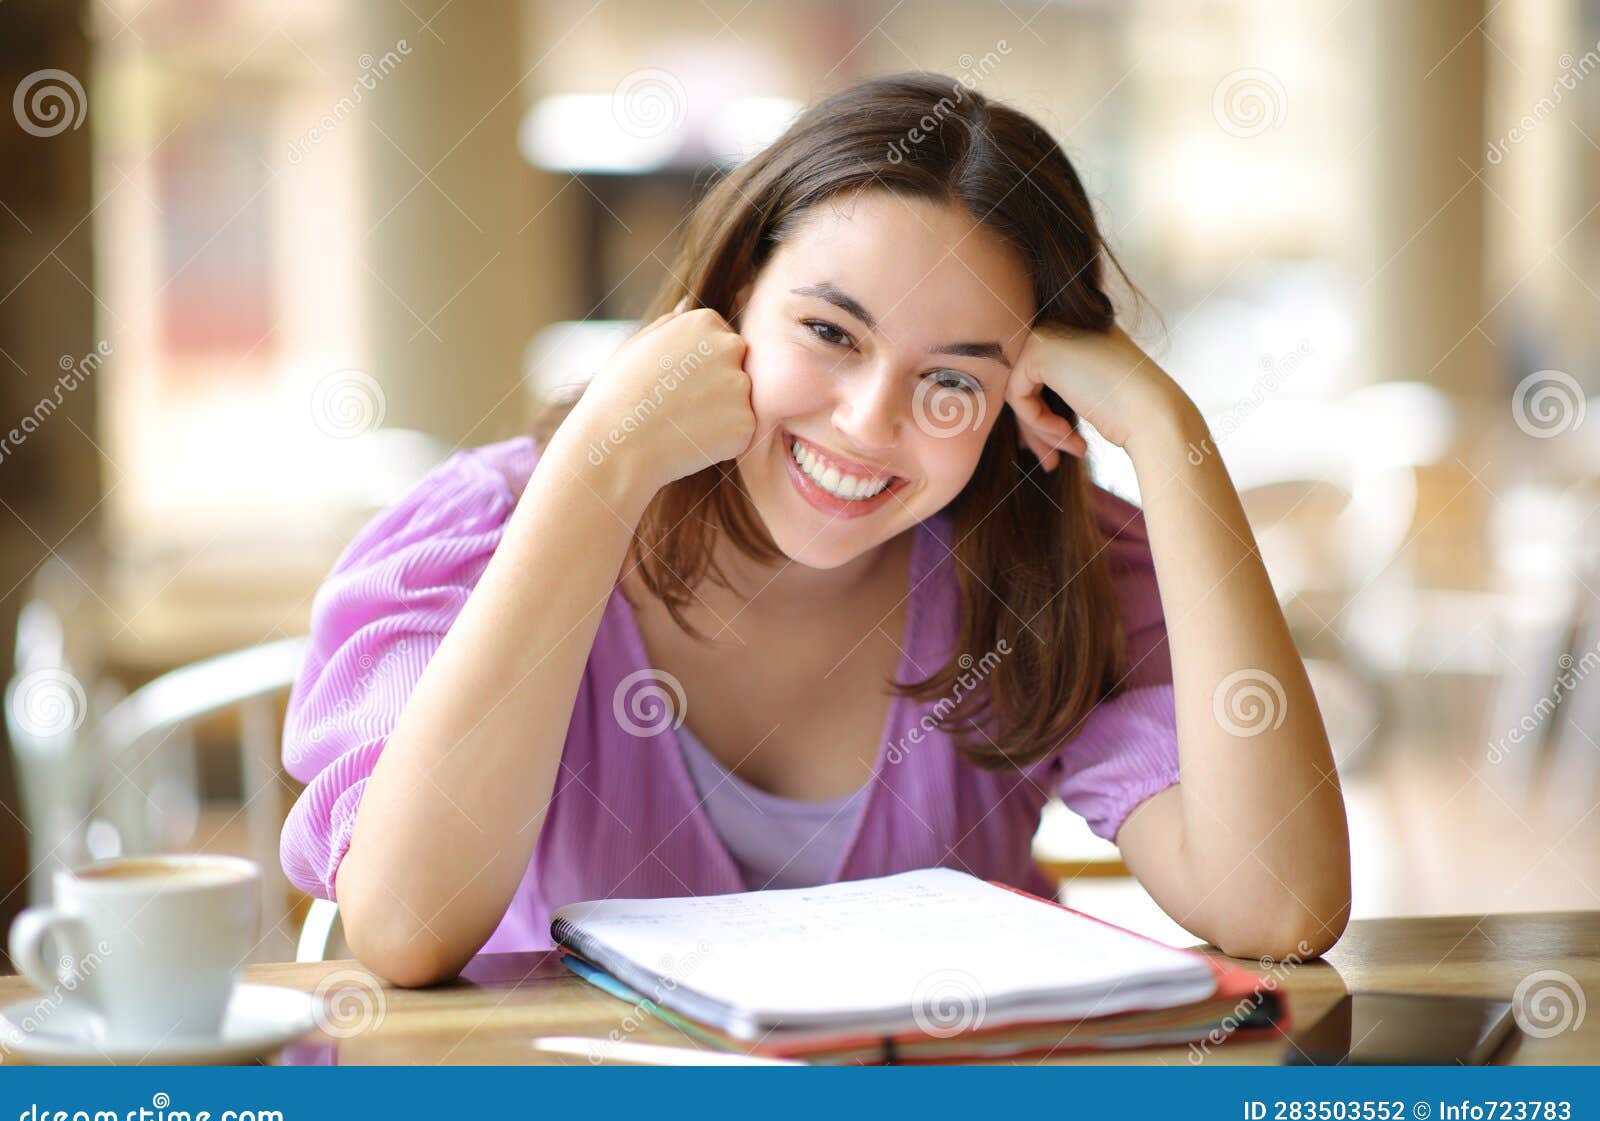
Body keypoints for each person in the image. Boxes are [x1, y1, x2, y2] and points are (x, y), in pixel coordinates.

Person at [280, 73, 1351, 988]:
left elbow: (1280, 907)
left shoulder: (1050, 569)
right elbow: (405, 926)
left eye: (951, 378)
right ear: (734, 298)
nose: (870, 422)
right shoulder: (479, 536)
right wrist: (600, 467)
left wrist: (1167, 432)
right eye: (831, 332)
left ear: (1020, 397)